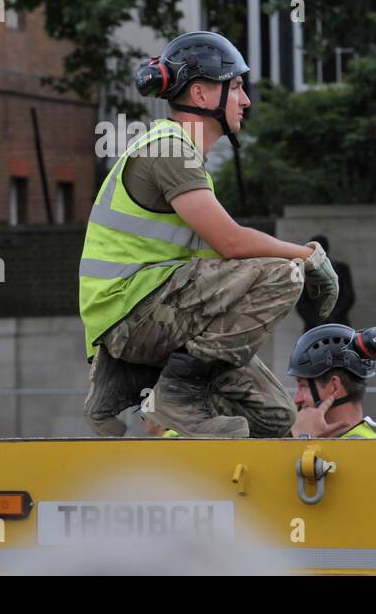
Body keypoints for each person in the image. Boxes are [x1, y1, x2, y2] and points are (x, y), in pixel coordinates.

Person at [80, 31, 340, 438]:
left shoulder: (180, 154)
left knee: (277, 418)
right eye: (236, 86)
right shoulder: (170, 150)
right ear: (201, 94)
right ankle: (176, 395)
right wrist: (308, 256)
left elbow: (212, 261)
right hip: (135, 314)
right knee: (282, 273)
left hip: (151, 312)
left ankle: (128, 380)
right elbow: (231, 243)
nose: (246, 100)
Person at [287, 324, 376, 439]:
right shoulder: (348, 442)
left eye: (303, 386)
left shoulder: (358, 449)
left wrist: (301, 439)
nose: (296, 399)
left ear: (334, 387)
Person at [296, 235, 355, 330]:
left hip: (338, 322)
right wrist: (315, 320)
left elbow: (348, 297)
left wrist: (333, 317)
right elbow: (301, 302)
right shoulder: (303, 271)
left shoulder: (342, 268)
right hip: (313, 325)